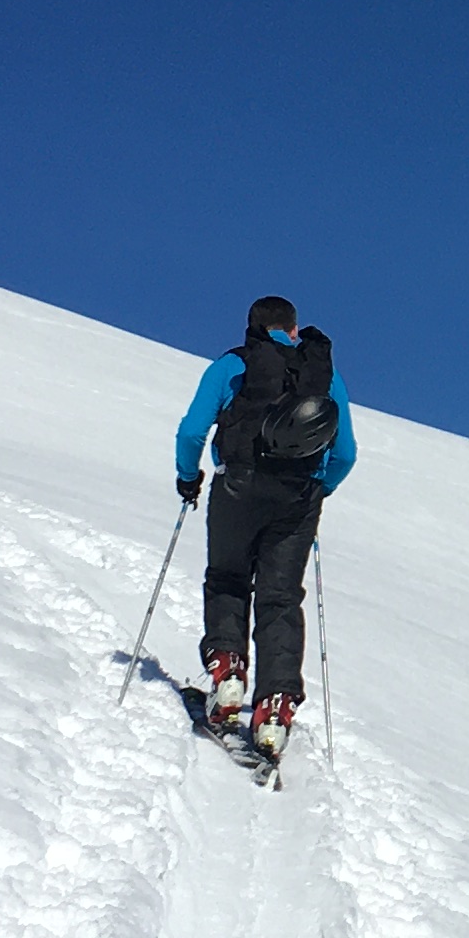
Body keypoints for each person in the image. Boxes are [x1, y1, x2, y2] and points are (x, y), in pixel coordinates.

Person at [173, 296, 354, 738]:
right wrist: (319, 489)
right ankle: (274, 710)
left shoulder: (232, 366)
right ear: (294, 329)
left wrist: (188, 477)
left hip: (237, 486)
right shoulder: (324, 375)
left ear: (252, 327)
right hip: (298, 497)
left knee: (228, 579)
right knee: (280, 598)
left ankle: (228, 672)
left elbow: (193, 430)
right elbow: (345, 453)